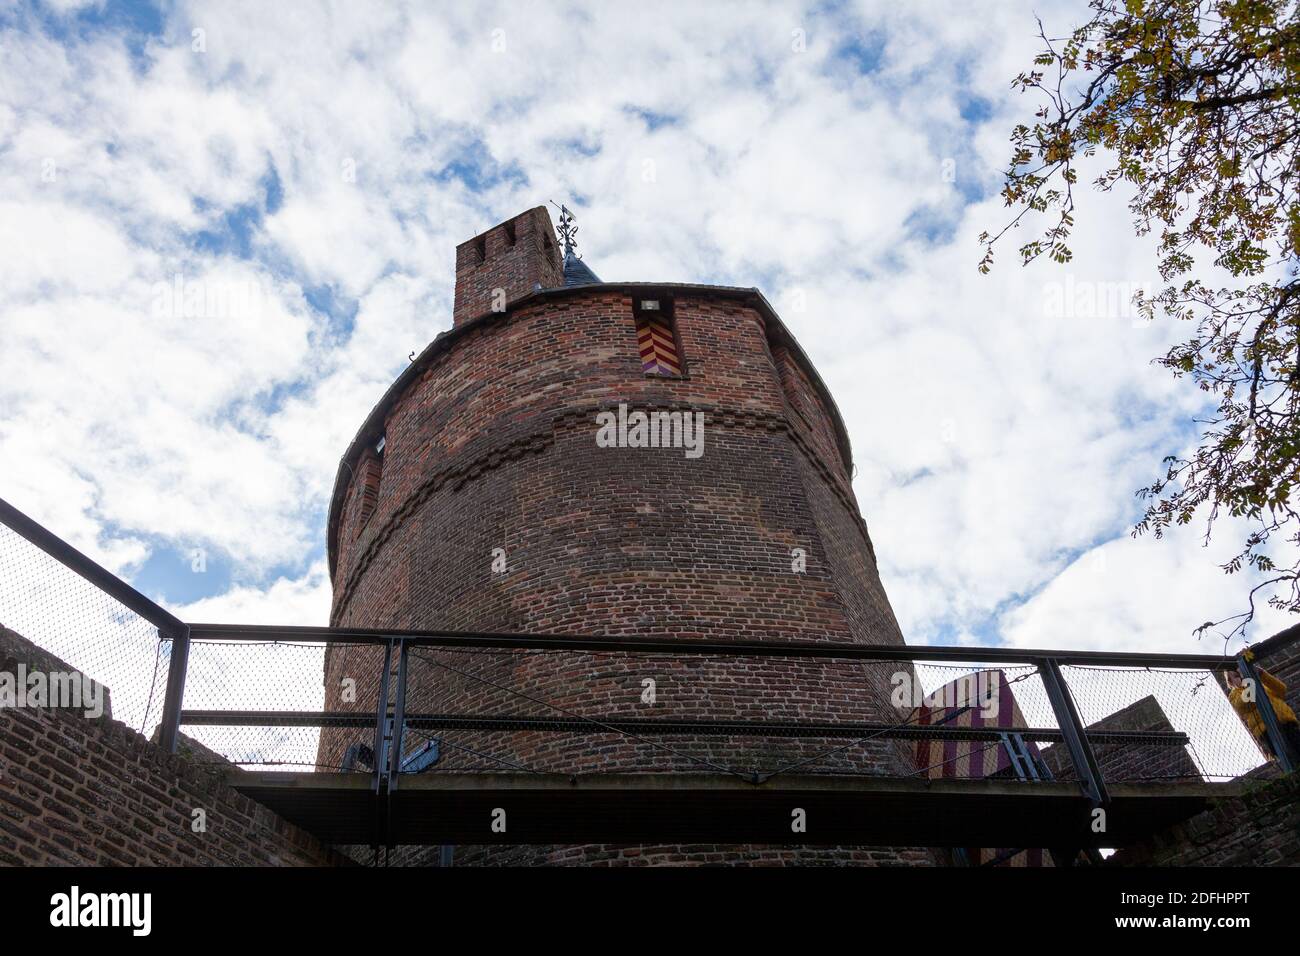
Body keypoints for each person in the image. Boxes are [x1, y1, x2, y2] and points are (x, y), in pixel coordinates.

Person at [1226, 661, 1300, 764]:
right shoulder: (1234, 696)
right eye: (1237, 676)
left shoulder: (1260, 685)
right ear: (1230, 681)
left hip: (1287, 722)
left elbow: (1281, 689)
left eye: (1242, 674)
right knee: (1289, 757)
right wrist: (1248, 680)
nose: (1241, 677)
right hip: (1267, 730)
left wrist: (1261, 674)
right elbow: (1247, 702)